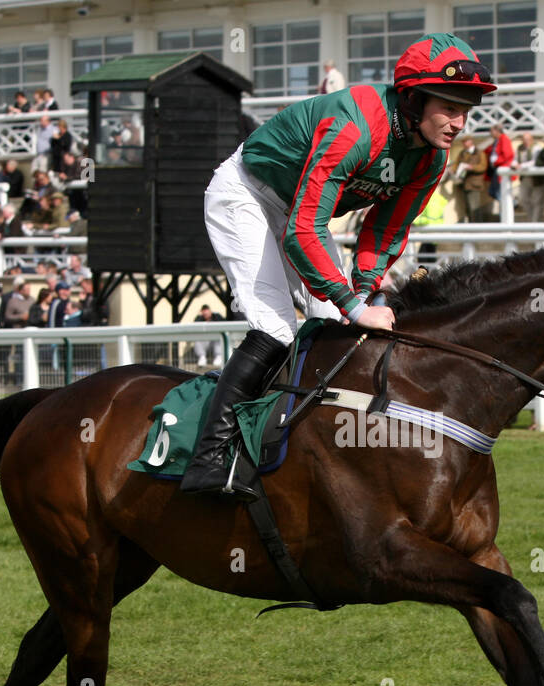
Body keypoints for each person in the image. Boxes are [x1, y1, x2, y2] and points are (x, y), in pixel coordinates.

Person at [181, 32, 494, 498]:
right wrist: (353, 301)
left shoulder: (431, 158)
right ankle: (207, 459)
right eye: (449, 107)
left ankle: (317, 456)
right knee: (276, 329)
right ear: (414, 98)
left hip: (302, 212)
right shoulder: (356, 125)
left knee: (339, 333)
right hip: (246, 195)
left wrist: (364, 290)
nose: (459, 122)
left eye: (466, 109)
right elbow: (303, 229)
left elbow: (385, 230)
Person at [449, 133, 490, 222]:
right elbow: (456, 164)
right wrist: (453, 170)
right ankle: (473, 226)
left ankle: (477, 227)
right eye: (463, 142)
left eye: (466, 142)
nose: (464, 144)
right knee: (468, 207)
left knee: (475, 207)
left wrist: (471, 167)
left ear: (471, 141)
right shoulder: (462, 153)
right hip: (465, 183)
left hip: (475, 183)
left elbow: (483, 166)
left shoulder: (479, 153)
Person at [483, 122, 513, 211]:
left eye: (491, 131)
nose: (490, 133)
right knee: (494, 192)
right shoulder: (497, 140)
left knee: (498, 193)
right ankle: (508, 206)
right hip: (496, 169)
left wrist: (496, 161)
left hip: (501, 169)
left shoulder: (504, 139)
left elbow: (508, 155)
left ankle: (511, 204)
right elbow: (490, 150)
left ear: (497, 131)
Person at [191, 303, 226, 367]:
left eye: (206, 311)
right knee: (197, 340)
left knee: (218, 339)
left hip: (215, 341)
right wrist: (200, 316)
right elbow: (195, 325)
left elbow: (225, 324)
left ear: (210, 311)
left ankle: (218, 357)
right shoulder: (199, 318)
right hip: (205, 342)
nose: (205, 314)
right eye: (203, 312)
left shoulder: (217, 316)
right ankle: (202, 357)